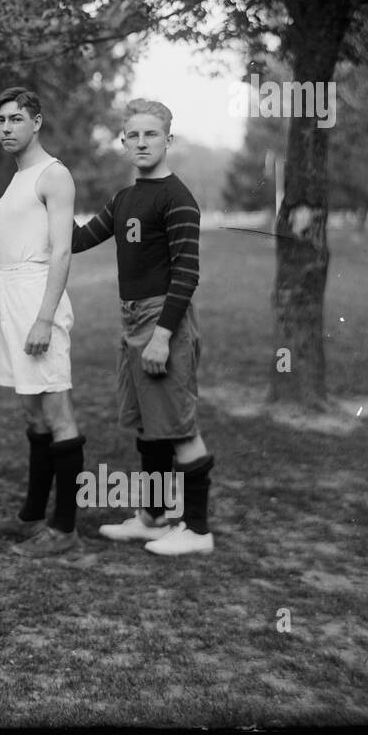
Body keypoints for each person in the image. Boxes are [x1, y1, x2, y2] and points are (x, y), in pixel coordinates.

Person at [71, 98, 215, 555]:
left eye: (150, 134)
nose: (141, 142)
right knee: (150, 427)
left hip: (162, 321)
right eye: (132, 135)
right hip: (130, 317)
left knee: (179, 427)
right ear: (123, 142)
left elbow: (187, 274)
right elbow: (79, 239)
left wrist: (162, 335)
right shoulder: (124, 198)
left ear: (168, 139)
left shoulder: (177, 198)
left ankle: (196, 530)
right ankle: (153, 518)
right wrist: (39, 207)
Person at [0, 88, 86, 557]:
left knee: (57, 412)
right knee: (32, 414)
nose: (5, 127)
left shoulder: (53, 176)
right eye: (0, 120)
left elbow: (62, 250)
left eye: (16, 119)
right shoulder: (16, 181)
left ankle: (64, 528)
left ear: (36, 122)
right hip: (12, 300)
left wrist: (44, 318)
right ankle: (32, 516)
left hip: (41, 300)